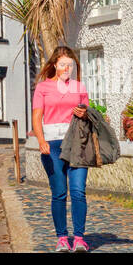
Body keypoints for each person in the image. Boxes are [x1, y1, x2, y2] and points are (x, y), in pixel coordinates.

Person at [31, 46, 91, 252]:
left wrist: (84, 114)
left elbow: (87, 114)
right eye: (63, 64)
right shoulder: (43, 88)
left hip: (77, 144)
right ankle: (62, 238)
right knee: (59, 193)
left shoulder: (79, 87)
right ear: (55, 65)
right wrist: (41, 140)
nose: (67, 68)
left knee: (78, 191)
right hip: (53, 145)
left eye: (70, 65)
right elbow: (37, 116)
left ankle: (80, 238)